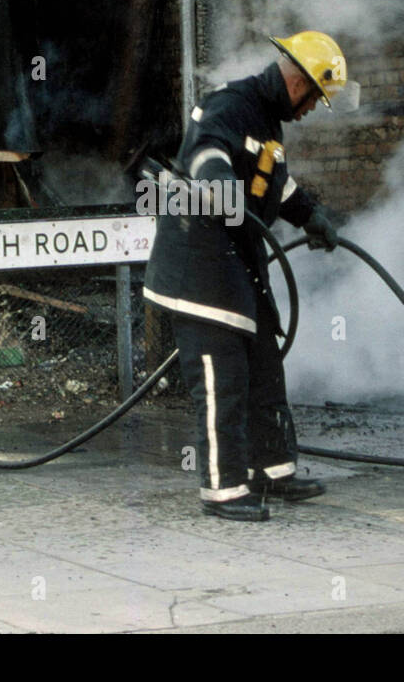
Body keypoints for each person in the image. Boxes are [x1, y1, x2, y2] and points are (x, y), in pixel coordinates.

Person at [143, 31, 354, 522]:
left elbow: (273, 183)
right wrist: (215, 179)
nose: (309, 112)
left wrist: (311, 215)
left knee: (263, 364)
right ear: (297, 81)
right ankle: (224, 489)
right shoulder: (230, 103)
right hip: (200, 264)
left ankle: (272, 470)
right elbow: (205, 152)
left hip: (239, 265)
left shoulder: (270, 125)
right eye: (313, 100)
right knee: (223, 377)